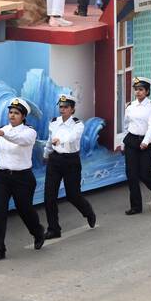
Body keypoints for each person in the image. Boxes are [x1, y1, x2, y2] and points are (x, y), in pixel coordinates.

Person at [0, 97, 46, 262]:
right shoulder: (3, 130)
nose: (12, 115)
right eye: (11, 112)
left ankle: (37, 232)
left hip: (22, 178)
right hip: (1, 177)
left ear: (23, 116)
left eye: (16, 113)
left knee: (24, 209)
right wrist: (3, 133)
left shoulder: (29, 132)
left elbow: (21, 141)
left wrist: (4, 134)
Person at [43, 94, 96, 236]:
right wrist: (46, 154)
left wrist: (59, 140)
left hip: (71, 161)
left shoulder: (78, 124)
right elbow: (49, 139)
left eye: (66, 107)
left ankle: (88, 212)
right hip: (55, 160)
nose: (62, 109)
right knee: (49, 196)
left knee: (73, 195)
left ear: (72, 109)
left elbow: (73, 137)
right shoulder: (54, 122)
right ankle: (53, 229)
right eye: (60, 107)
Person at [122, 77, 151, 215]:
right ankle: (136, 206)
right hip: (131, 141)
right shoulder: (130, 106)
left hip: (147, 142)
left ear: (147, 91)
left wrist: (146, 141)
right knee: (131, 175)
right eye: (136, 89)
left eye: (141, 90)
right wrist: (124, 141)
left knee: (145, 174)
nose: (138, 92)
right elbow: (126, 124)